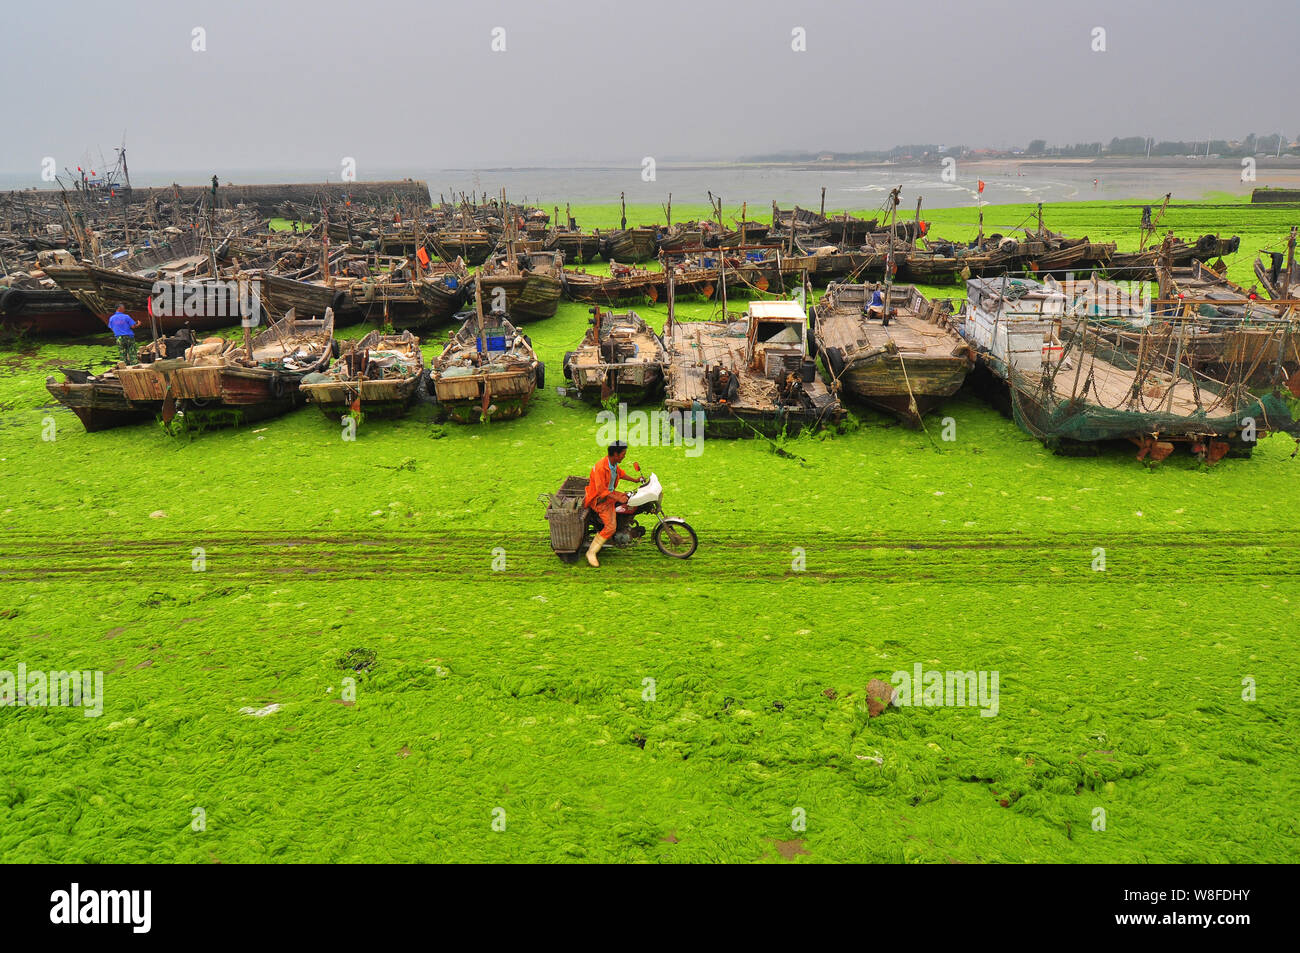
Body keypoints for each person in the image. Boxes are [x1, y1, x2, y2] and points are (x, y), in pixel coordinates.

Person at [583, 441, 643, 567]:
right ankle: (591, 552)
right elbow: (601, 491)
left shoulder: (613, 464)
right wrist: (617, 497)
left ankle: (624, 524)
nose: (624, 456)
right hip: (599, 500)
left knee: (630, 500)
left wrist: (635, 480)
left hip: (609, 495)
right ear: (615, 454)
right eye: (623, 454)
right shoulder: (601, 468)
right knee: (610, 527)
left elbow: (620, 474)